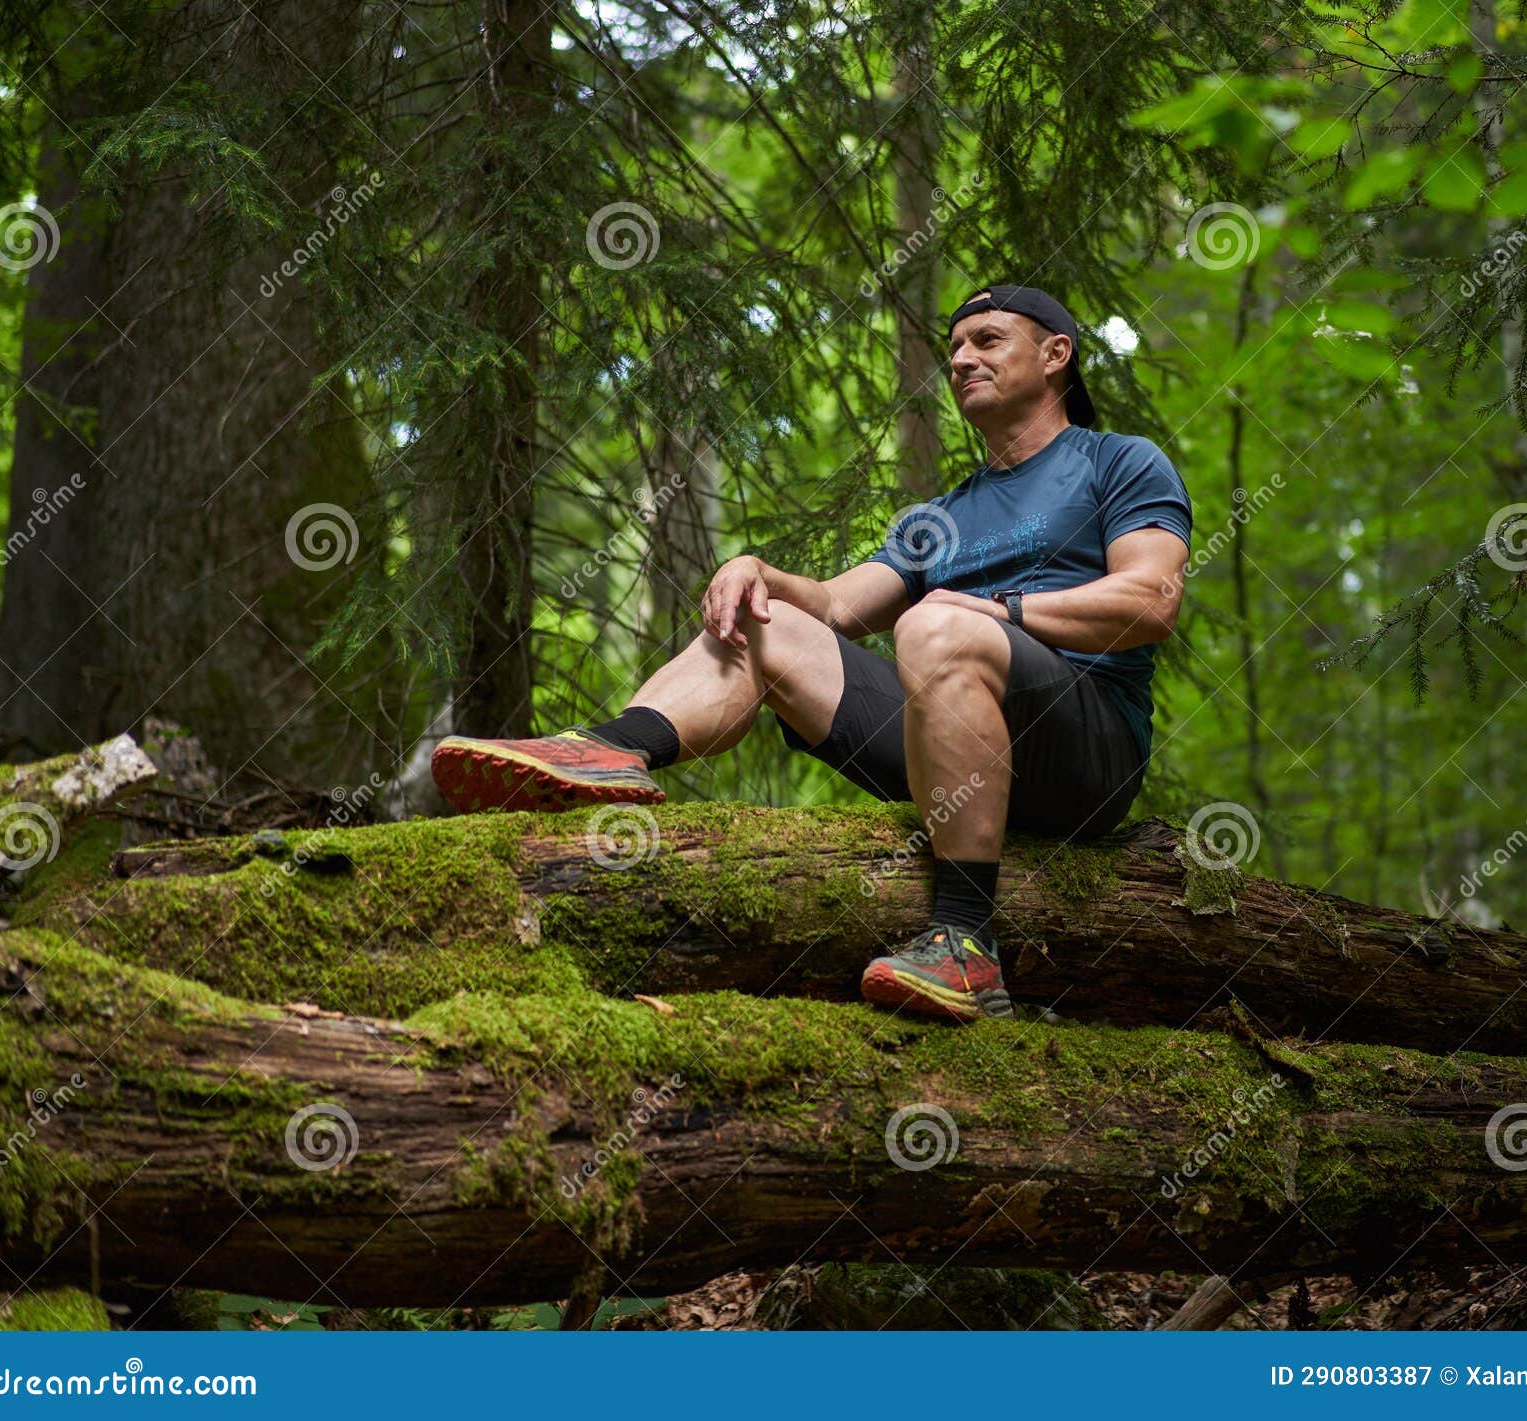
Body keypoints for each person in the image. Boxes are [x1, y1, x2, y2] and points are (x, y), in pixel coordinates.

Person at [432, 283, 1193, 1023]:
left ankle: (965, 938)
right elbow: (833, 607)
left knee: (933, 626)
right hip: (957, 747)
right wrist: (759, 572)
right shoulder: (943, 514)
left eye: (987, 340)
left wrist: (996, 611)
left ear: (1056, 353)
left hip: (1085, 752)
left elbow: (1150, 600)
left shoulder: (1115, 462)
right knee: (771, 619)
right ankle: (610, 750)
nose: (961, 359)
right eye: (954, 346)